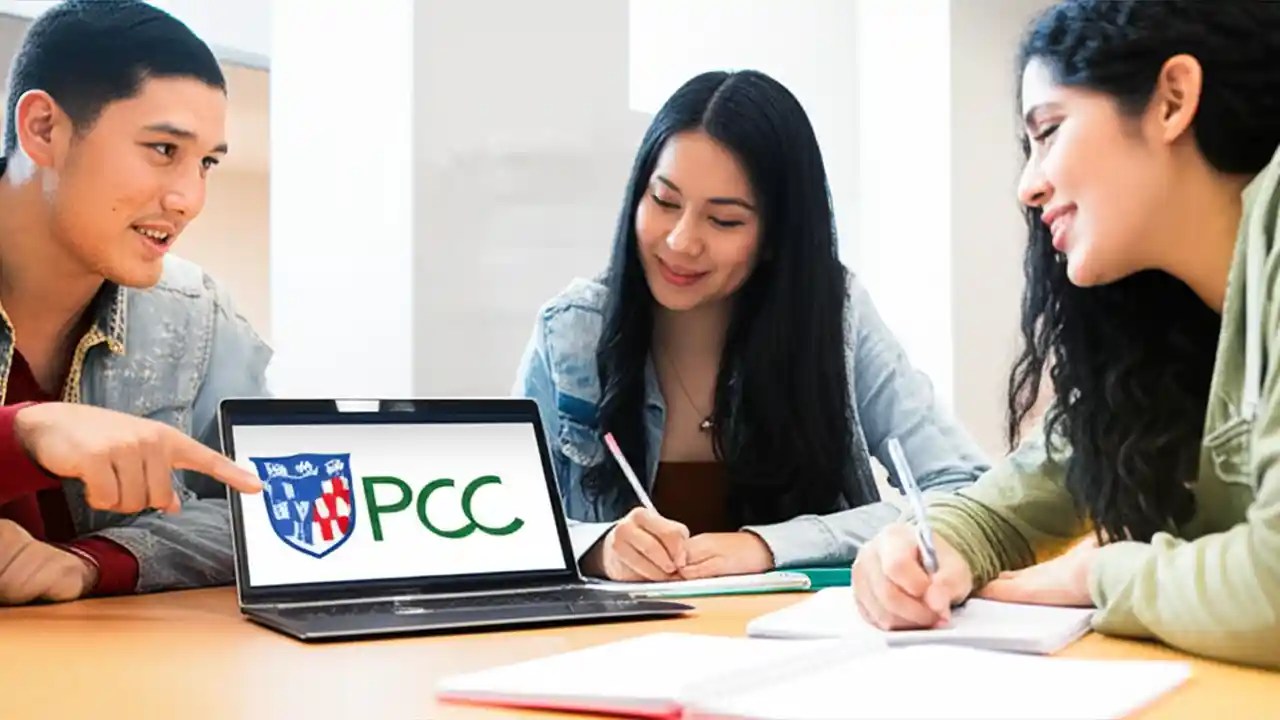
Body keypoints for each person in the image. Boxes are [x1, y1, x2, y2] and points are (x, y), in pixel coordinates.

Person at [852, 0, 1280, 669]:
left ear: (1172, 100)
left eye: (1048, 131)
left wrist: (1098, 576)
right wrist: (920, 550)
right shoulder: (1174, 330)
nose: (1028, 186)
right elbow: (1001, 511)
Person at [513, 69, 988, 582]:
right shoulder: (571, 332)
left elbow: (964, 492)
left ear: (774, 237)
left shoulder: (833, 315)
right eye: (665, 201)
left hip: (804, 647)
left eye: (724, 221)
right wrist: (597, 548)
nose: (679, 241)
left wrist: (767, 546)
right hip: (617, 649)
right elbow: (504, 528)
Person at [0, 0, 267, 605]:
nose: (189, 199)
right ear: (43, 128)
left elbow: (260, 502)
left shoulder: (198, 316)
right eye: (163, 150)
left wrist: (92, 562)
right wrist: (23, 436)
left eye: (207, 163)